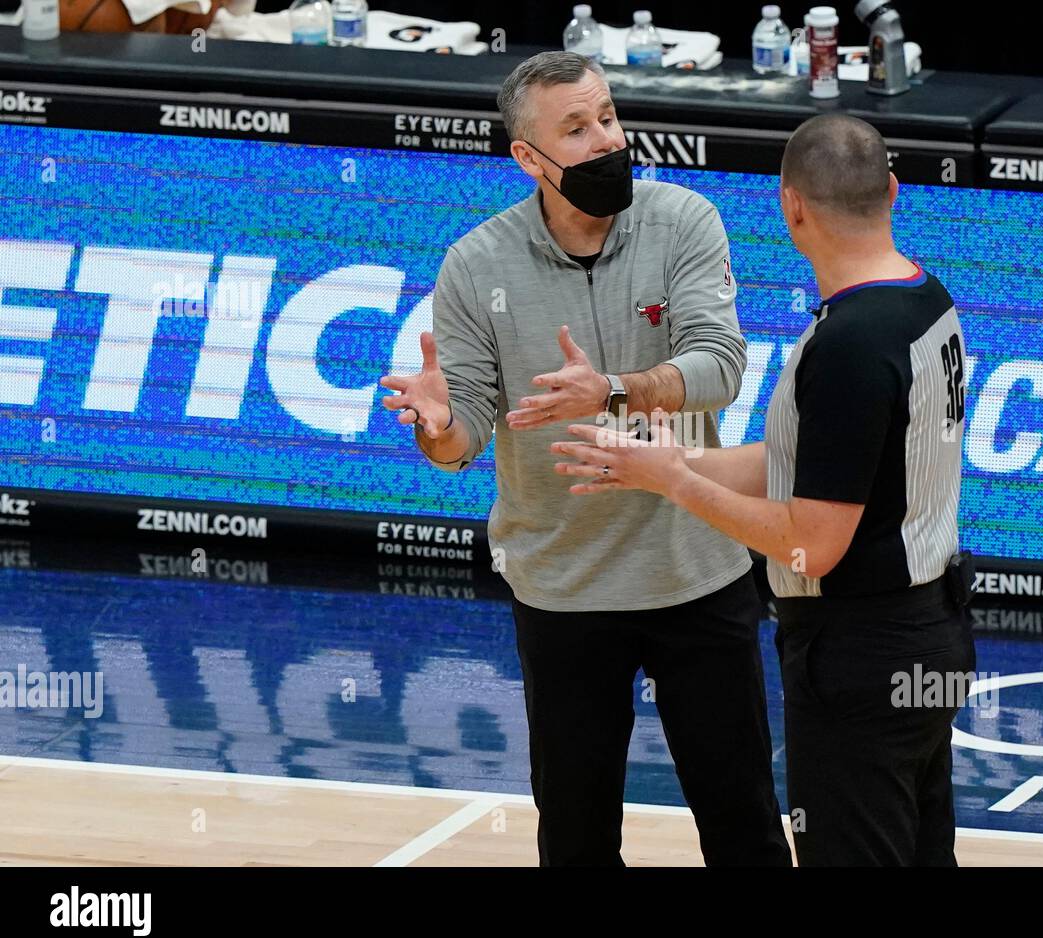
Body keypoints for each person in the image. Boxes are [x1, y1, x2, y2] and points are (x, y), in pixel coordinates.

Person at [379, 51, 790, 867]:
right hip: (562, 583)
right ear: (528, 159)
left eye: (607, 116)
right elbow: (459, 443)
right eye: (577, 128)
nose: (606, 139)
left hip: (693, 566)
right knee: (575, 828)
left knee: (740, 814)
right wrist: (435, 424)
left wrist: (609, 390)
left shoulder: (683, 221)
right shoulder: (475, 263)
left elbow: (721, 367)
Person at [553, 112, 976, 866]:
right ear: (893, 190)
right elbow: (812, 466)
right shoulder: (924, 297)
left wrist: (680, 484)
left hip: (863, 652)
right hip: (928, 632)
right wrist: (656, 463)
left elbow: (810, 542)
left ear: (792, 207)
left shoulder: (850, 342)